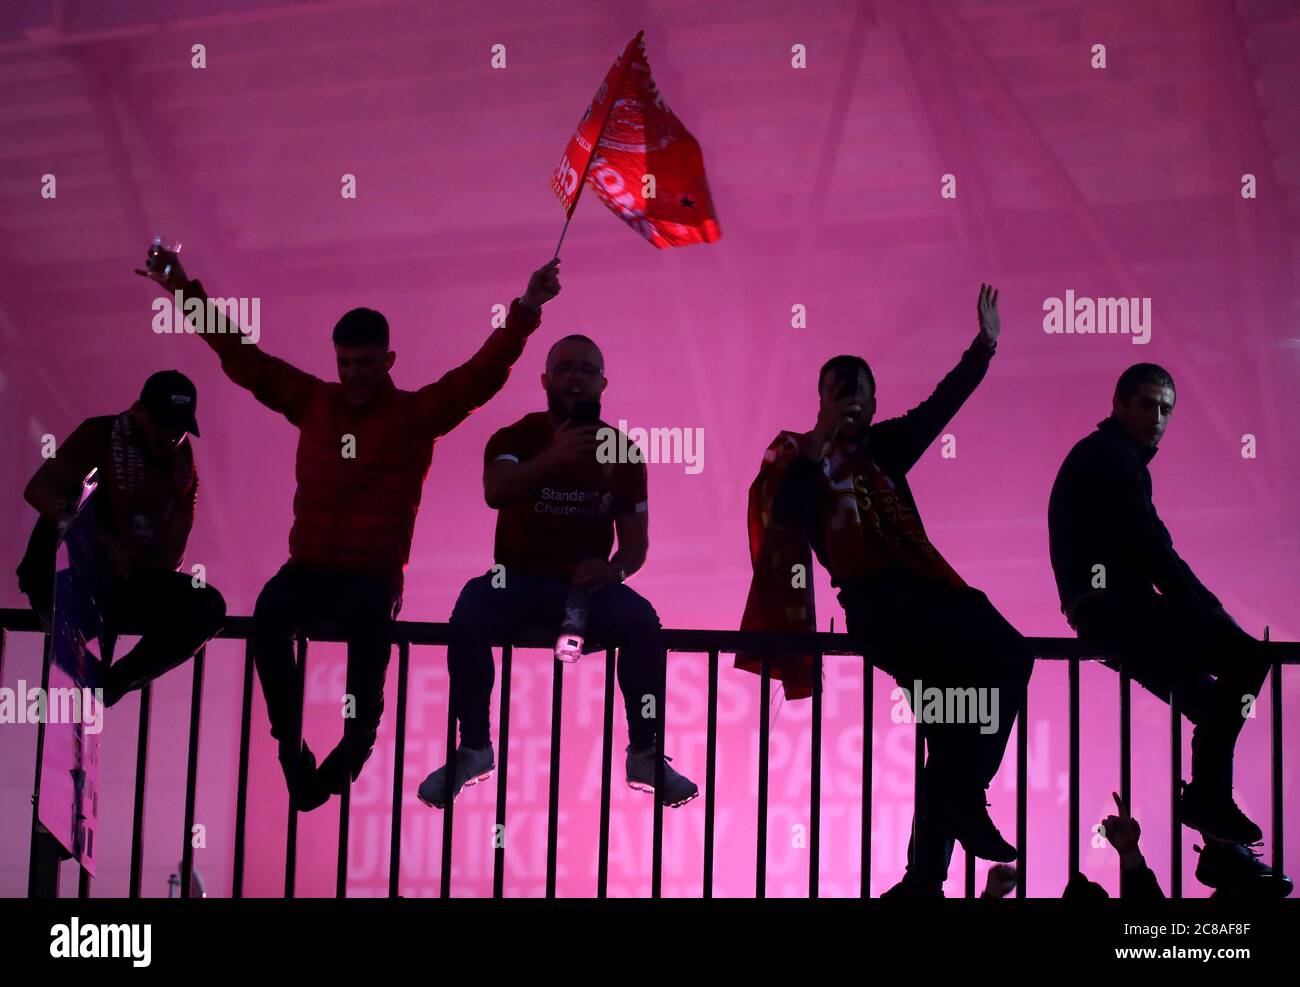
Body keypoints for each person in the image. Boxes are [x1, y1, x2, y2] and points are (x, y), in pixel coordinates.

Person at [137, 246, 561, 811]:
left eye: (364, 363)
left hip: (369, 577)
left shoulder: (411, 417)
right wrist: (184, 289)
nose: (354, 374)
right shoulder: (317, 402)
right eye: (345, 363)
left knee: (364, 659)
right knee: (269, 621)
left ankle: (350, 748)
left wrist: (527, 308)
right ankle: (293, 746)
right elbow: (242, 359)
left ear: (388, 360)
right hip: (313, 568)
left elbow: (481, 376)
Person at [740, 285, 1033, 897]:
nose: (849, 396)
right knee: (1002, 661)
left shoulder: (885, 448)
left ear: (875, 402)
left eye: (859, 389)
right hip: (880, 607)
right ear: (819, 400)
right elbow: (790, 514)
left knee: (955, 728)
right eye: (836, 388)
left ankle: (924, 878)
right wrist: (821, 435)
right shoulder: (797, 456)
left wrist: (984, 347)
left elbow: (938, 409)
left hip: (926, 598)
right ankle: (961, 805)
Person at [418, 334, 698, 809]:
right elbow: (495, 489)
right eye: (565, 368)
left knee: (642, 622)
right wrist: (553, 458)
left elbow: (635, 545)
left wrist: (613, 571)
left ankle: (645, 753)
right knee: (469, 611)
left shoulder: (623, 452)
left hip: (585, 590)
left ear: (603, 383)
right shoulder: (515, 437)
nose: (575, 377)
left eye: (586, 370)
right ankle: (474, 748)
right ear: (545, 379)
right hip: (516, 580)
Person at [1048, 363, 1291, 896]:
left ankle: (1223, 850)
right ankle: (1208, 805)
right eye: (1147, 405)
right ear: (1119, 404)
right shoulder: (1111, 458)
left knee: (1209, 703)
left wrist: (1204, 610)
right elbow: (1153, 549)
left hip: (1105, 615)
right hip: (1115, 610)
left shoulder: (1114, 458)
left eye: (1165, 409)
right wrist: (1210, 613)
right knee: (1250, 659)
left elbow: (1152, 544)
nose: (1157, 418)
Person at [18, 370, 226, 706]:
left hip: (128, 582)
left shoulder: (183, 464)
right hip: (69, 577)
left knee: (209, 607)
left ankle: (111, 683)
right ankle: (69, 646)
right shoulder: (100, 434)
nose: (169, 437)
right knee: (73, 499)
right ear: (140, 412)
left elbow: (175, 550)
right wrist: (99, 538)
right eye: (162, 425)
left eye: (178, 429)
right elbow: (39, 490)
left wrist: (136, 559)